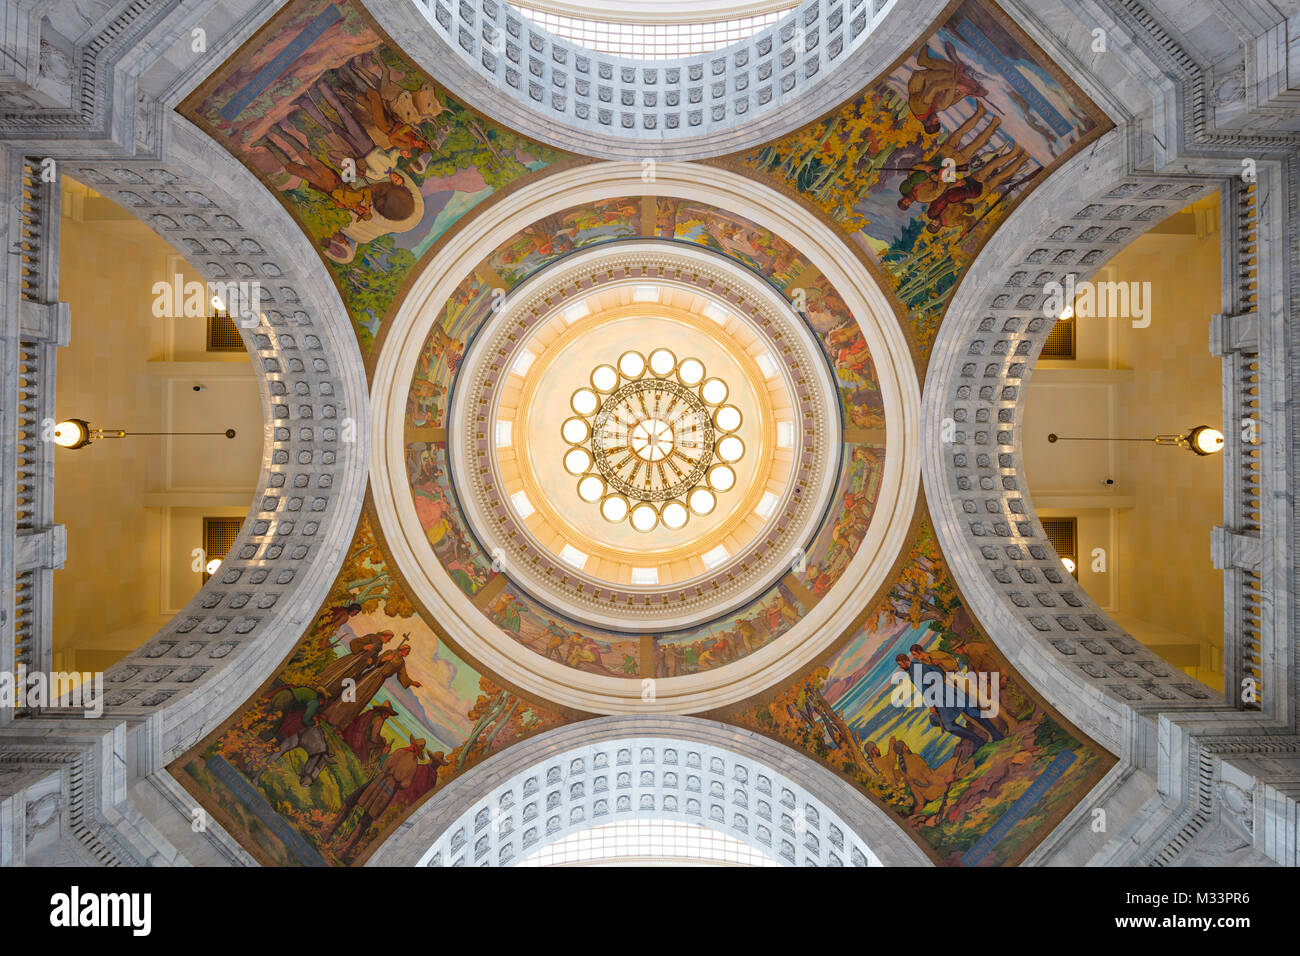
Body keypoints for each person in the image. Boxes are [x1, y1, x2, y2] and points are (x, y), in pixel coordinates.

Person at [894, 653, 1003, 747]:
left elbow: (924, 689)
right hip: (945, 690)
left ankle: (979, 740)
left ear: (904, 661)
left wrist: (931, 706)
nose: (901, 667)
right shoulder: (920, 665)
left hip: (940, 696)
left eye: (900, 664)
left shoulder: (914, 672)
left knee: (949, 725)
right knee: (970, 711)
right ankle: (995, 734)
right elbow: (938, 671)